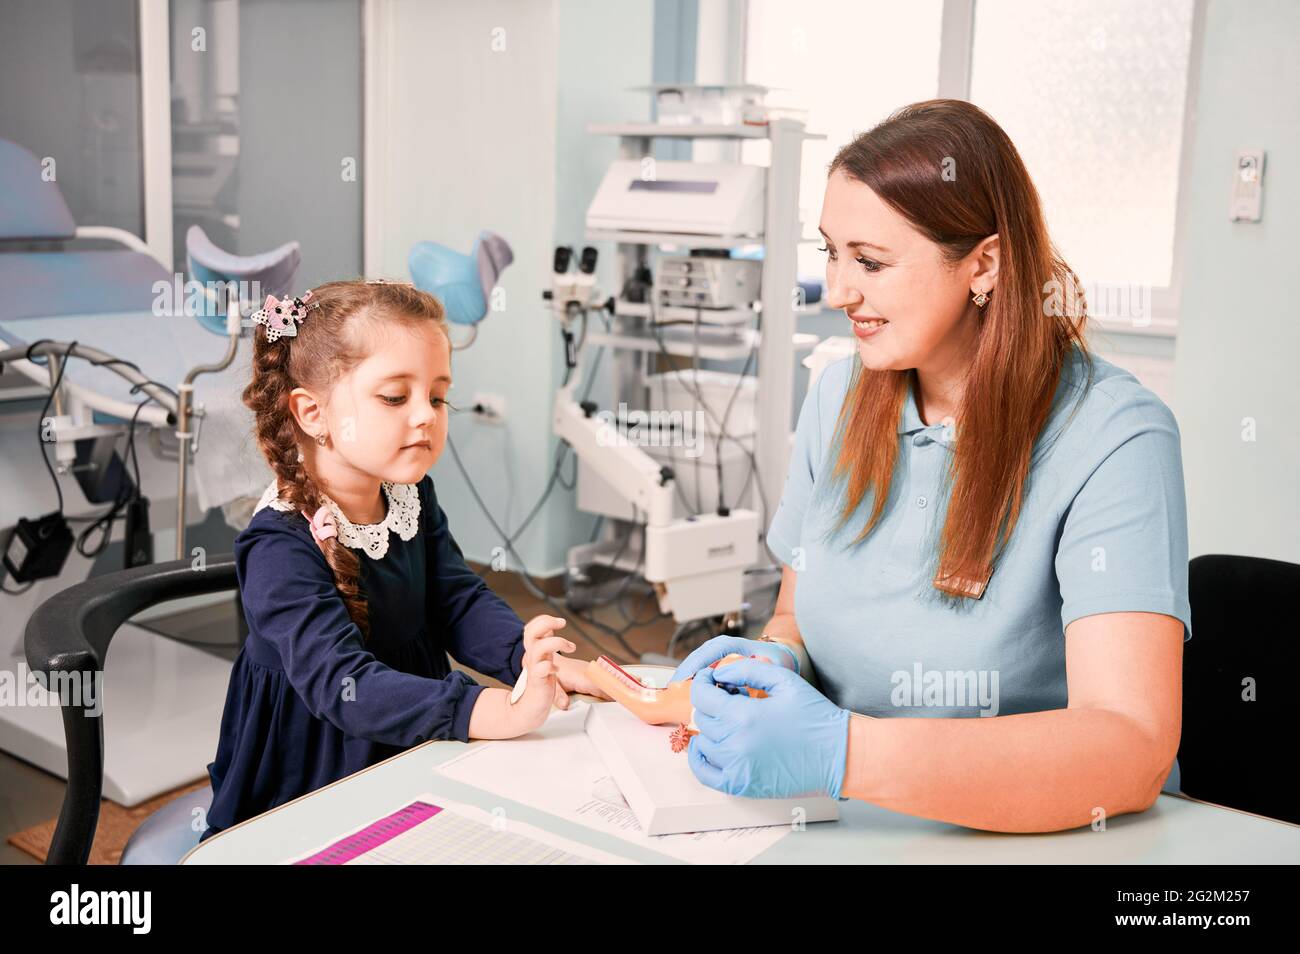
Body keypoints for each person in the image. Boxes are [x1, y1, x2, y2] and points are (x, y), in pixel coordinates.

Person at [671, 100, 1192, 834]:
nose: (840, 290)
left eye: (872, 262)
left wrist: (844, 752)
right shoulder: (838, 397)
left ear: (983, 263)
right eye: (831, 252)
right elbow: (794, 614)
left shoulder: (1114, 437)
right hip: (845, 823)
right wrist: (774, 664)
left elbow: (1129, 747)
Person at [201, 280, 608, 839]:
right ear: (313, 413)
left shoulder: (410, 497)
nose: (426, 417)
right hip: (317, 767)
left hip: (413, 728)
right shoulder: (279, 545)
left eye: (438, 397)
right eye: (396, 397)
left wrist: (531, 660)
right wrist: (490, 712)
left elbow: (457, 602)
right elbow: (344, 684)